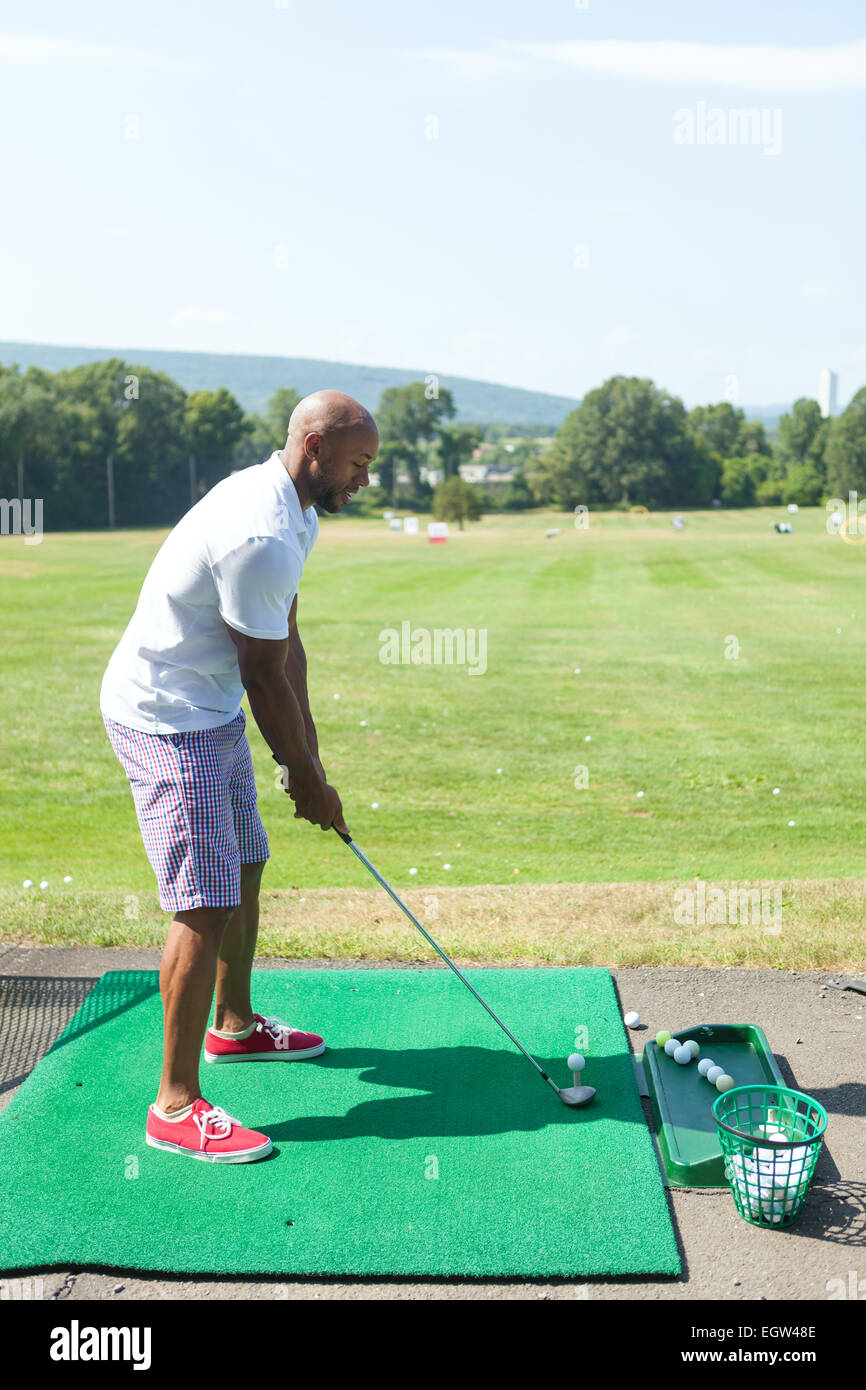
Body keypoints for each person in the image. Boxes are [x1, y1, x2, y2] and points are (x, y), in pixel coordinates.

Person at [100, 390, 377, 1162]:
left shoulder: (298, 511)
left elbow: (285, 645)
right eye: (358, 464)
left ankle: (234, 1026)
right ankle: (175, 1106)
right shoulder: (260, 531)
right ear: (315, 446)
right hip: (165, 715)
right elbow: (262, 676)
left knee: (246, 858)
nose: (365, 480)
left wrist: (311, 764)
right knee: (204, 899)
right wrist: (304, 776)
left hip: (208, 706)